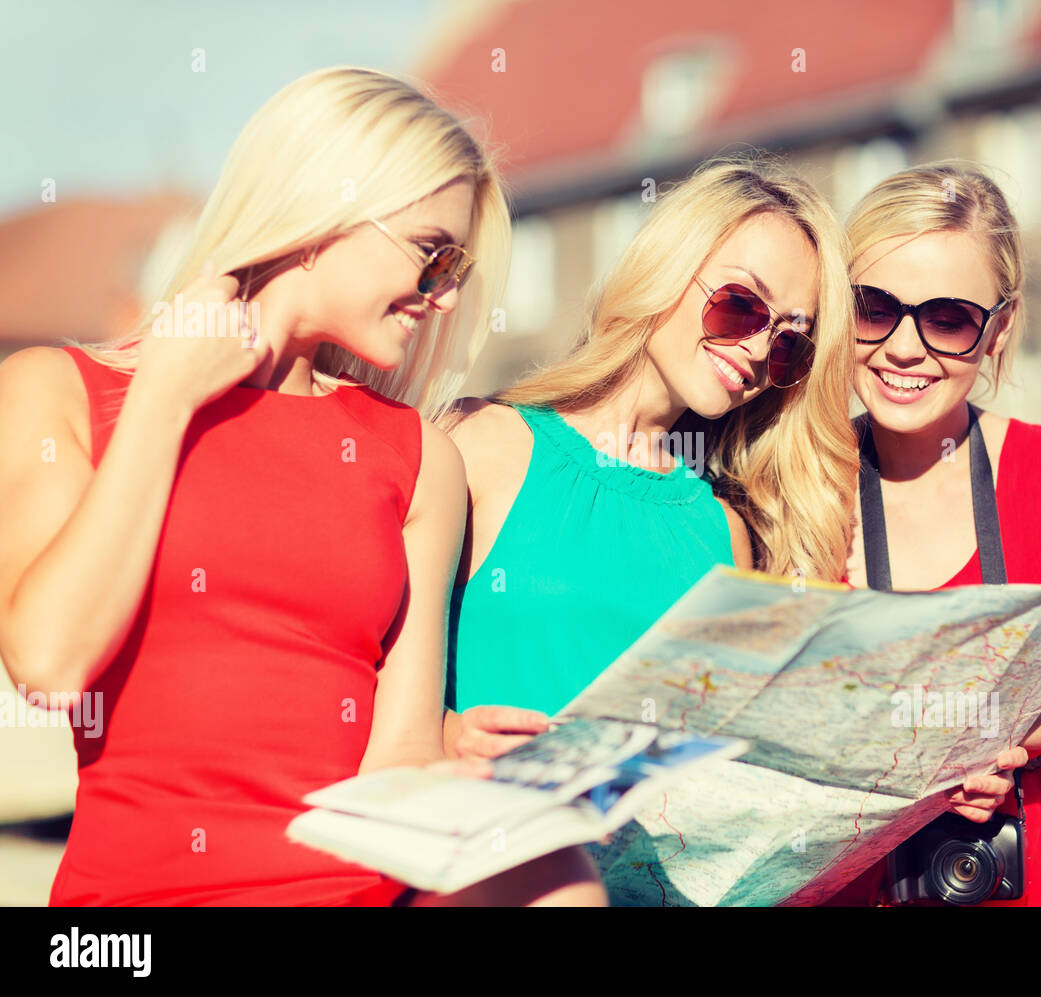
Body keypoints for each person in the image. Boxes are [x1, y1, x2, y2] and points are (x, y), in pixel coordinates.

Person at [0, 66, 603, 906]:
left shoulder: (421, 458)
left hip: (350, 885)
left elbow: (397, 758)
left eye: (457, 269)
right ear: (323, 214)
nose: (445, 296)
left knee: (556, 873)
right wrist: (167, 396)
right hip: (138, 906)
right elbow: (48, 664)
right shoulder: (56, 391)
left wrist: (469, 768)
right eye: (433, 254)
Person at [438, 154, 1023, 858]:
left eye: (788, 342)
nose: (755, 350)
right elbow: (355, 673)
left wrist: (938, 776)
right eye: (740, 306)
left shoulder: (725, 533)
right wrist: (445, 736)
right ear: (667, 265)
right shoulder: (480, 445)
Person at [826, 161, 1041, 906]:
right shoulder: (798, 478)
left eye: (948, 319)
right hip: (860, 872)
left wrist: (896, 737)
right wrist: (963, 738)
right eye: (874, 308)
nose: (904, 348)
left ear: (999, 328)